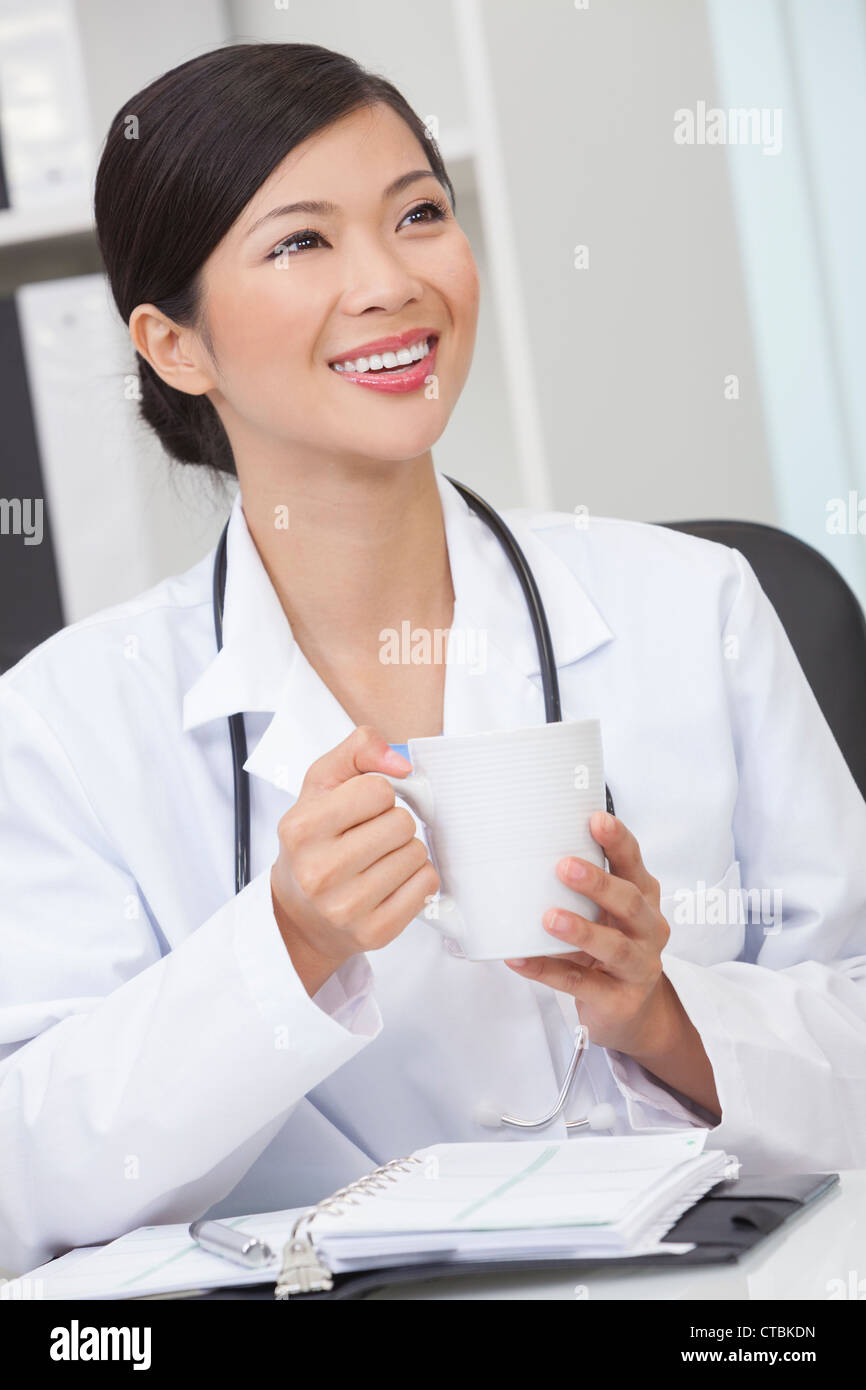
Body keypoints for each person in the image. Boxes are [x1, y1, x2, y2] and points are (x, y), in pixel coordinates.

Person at [1, 42, 865, 1279]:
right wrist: (284, 946)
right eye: (302, 242)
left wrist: (663, 1014)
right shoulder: (64, 726)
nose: (391, 281)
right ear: (173, 345)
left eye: (417, 213)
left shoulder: (696, 606)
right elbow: (21, 1183)